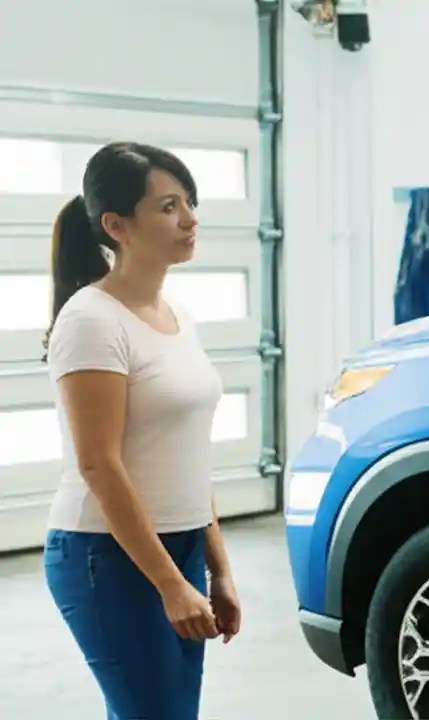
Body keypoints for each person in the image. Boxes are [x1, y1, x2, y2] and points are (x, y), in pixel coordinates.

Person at [41, 141, 242, 720]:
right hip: (105, 555)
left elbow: (188, 457)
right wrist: (169, 584)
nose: (190, 219)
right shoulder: (90, 321)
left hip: (177, 546)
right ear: (117, 225)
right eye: (169, 206)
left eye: (190, 203)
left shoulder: (178, 317)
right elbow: (98, 464)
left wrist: (217, 569)